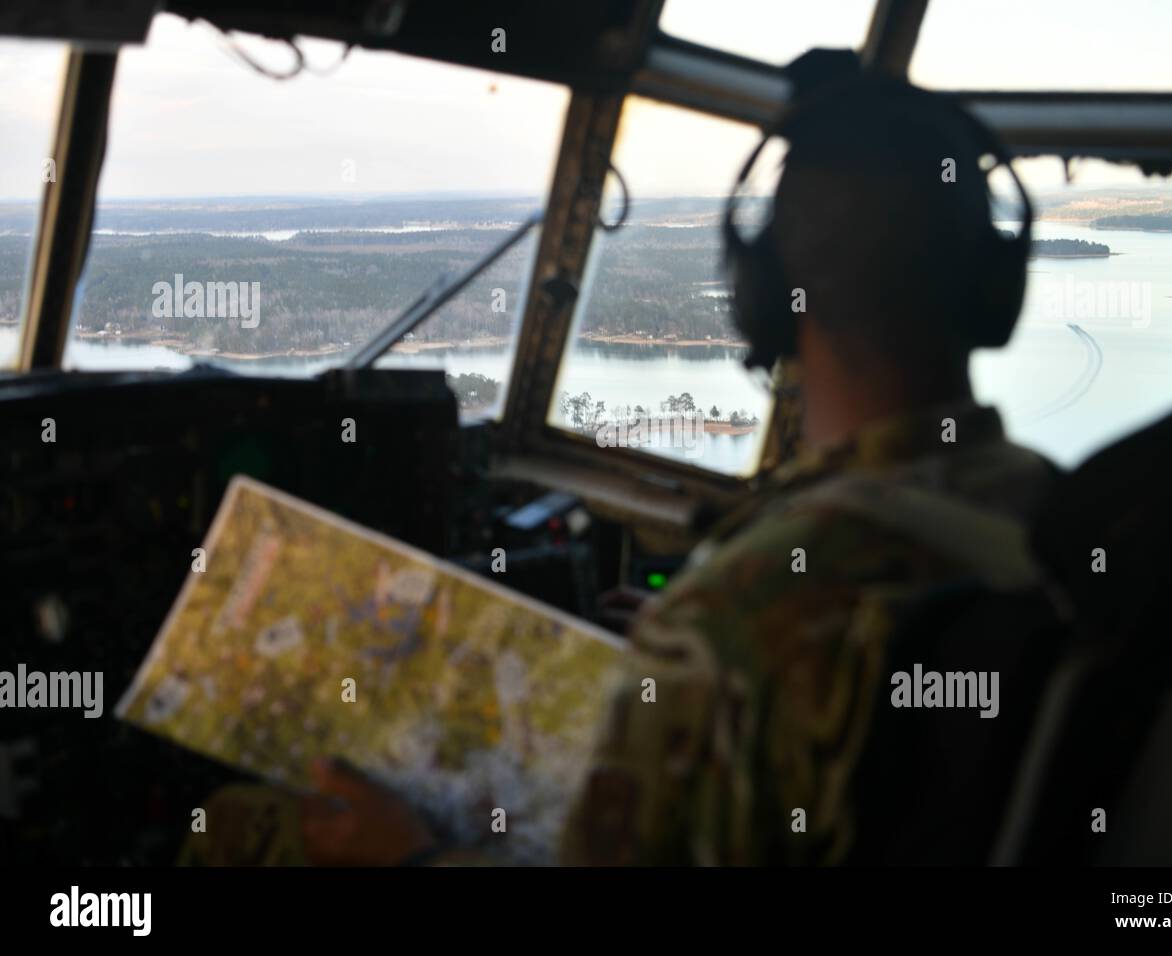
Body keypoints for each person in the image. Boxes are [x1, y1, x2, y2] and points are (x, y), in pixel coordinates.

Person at [200, 53, 1057, 867]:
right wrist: (672, 672)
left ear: (762, 298)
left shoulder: (738, 618)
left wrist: (411, 855)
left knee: (235, 827)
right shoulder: (1054, 509)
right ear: (993, 290)